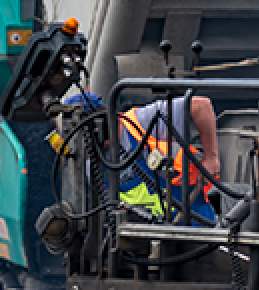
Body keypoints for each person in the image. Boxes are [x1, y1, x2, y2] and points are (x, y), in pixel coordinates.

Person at [66, 92, 220, 224]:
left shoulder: (141, 122)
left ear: (101, 123)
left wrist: (211, 158)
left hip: (193, 224)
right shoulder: (90, 163)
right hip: (144, 238)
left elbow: (201, 106)